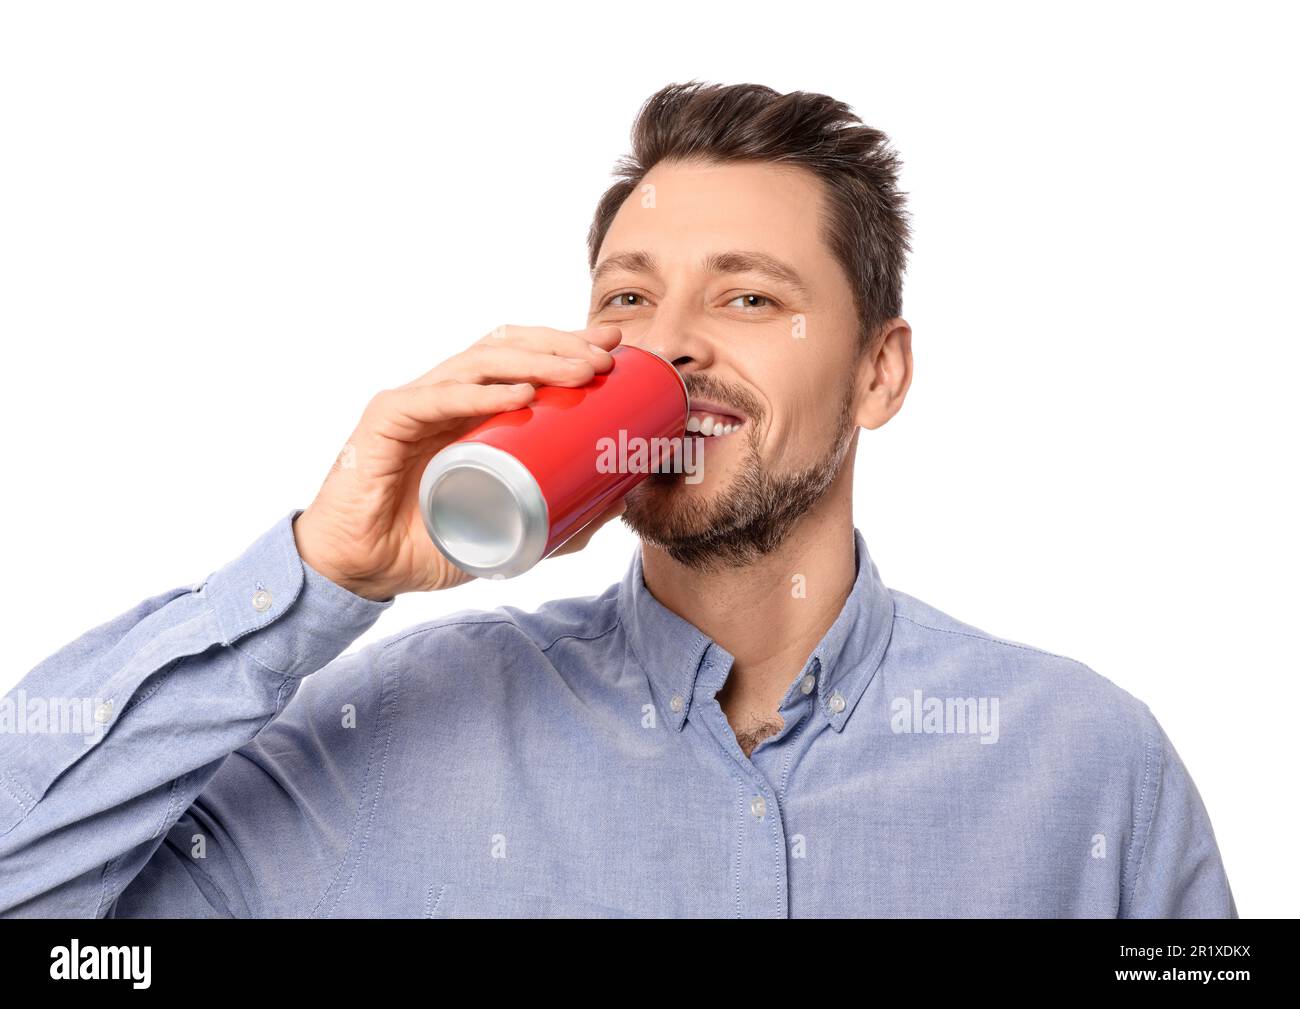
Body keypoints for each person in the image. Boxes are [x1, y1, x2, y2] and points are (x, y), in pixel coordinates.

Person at [0, 81, 1235, 918]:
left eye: (747, 296)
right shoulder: (382, 739)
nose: (673, 349)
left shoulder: (1084, 763)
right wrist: (323, 576)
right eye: (629, 301)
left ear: (879, 371)